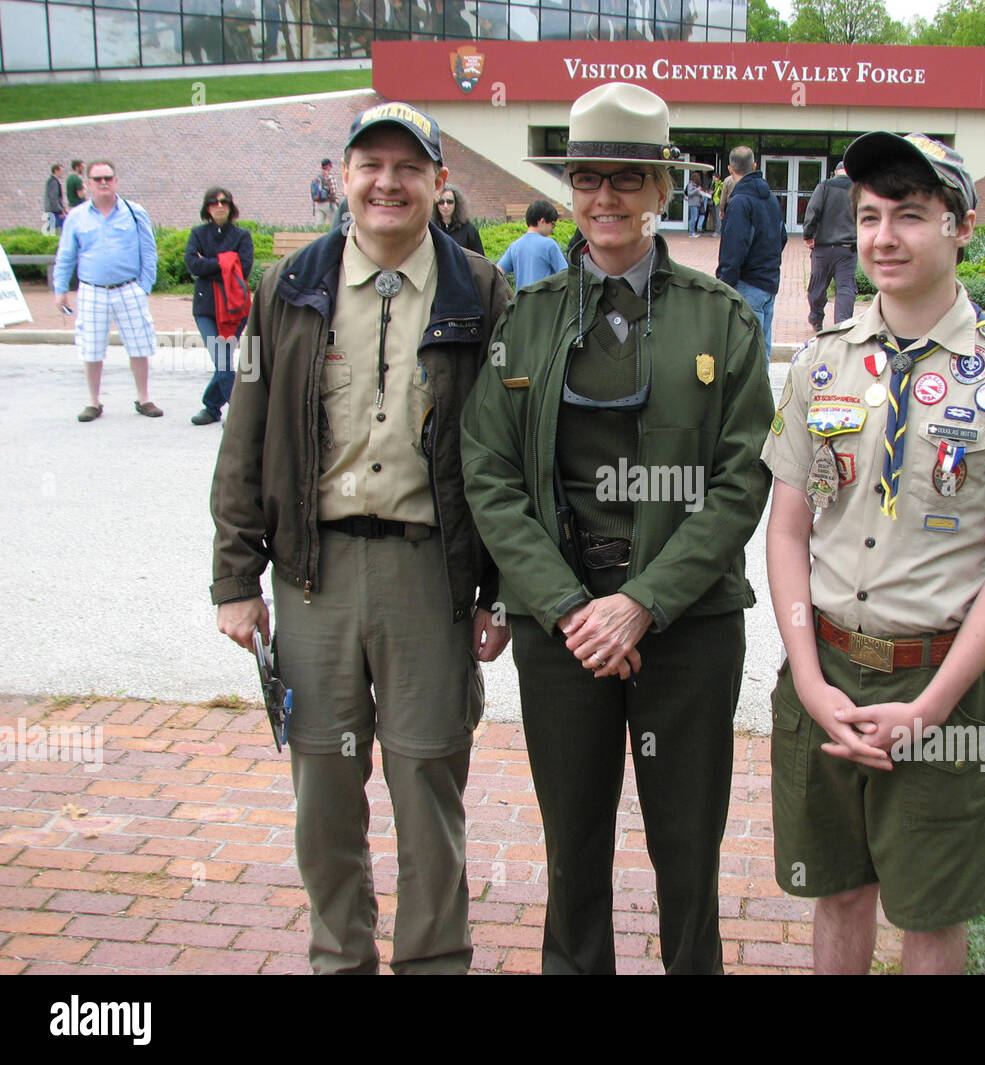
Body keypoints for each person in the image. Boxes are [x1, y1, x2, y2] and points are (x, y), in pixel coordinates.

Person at [461, 82, 774, 975]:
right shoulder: (528, 319)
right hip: (561, 627)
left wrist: (641, 602)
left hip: (686, 622)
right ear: (570, 189)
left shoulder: (721, 318)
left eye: (629, 179)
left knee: (688, 852)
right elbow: (487, 471)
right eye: (589, 178)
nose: (607, 199)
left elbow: (741, 476)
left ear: (663, 192)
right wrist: (568, 605)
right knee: (573, 853)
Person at [762, 131, 985, 975]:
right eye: (868, 217)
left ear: (961, 226)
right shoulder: (820, 365)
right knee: (838, 893)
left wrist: (931, 707)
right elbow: (787, 532)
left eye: (910, 215)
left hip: (942, 688)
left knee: (934, 914)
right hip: (824, 673)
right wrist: (812, 682)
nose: (884, 238)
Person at [210, 101, 511, 974]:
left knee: (428, 788)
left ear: (438, 184)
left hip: (432, 576)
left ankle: (432, 961)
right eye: (369, 165)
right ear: (341, 177)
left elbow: (505, 459)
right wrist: (236, 578)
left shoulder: (481, 292)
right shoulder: (291, 287)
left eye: (408, 167)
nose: (388, 182)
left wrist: (501, 595)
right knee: (324, 796)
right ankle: (339, 957)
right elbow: (246, 436)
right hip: (316, 576)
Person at [53, 160, 161, 423]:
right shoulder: (77, 217)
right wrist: (61, 289)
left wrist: (143, 286)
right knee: (91, 348)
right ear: (88, 183)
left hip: (128, 288)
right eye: (97, 179)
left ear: (115, 180)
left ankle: (144, 398)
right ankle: (93, 402)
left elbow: (148, 251)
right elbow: (66, 255)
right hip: (92, 291)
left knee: (139, 345)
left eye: (108, 178)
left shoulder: (134, 212)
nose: (103, 183)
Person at [185, 186, 255, 425]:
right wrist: (227, 262)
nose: (220, 206)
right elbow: (193, 265)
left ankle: (212, 408)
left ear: (231, 206)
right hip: (206, 308)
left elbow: (243, 268)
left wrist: (211, 264)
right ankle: (237, 411)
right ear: (207, 207)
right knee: (222, 358)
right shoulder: (197, 234)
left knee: (222, 358)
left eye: (224, 202)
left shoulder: (242, 236)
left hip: (235, 308)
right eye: (214, 203)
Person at [716, 145, 785, 361]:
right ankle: (762, 394)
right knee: (761, 352)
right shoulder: (770, 198)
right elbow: (781, 237)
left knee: (745, 355)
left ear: (730, 169)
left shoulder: (740, 202)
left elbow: (734, 249)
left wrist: (724, 285)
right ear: (755, 165)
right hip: (769, 282)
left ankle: (751, 395)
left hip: (747, 284)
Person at [803, 160, 857, 331]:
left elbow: (813, 210)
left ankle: (816, 317)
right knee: (846, 288)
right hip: (848, 248)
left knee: (817, 287)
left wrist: (808, 235)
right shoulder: (859, 189)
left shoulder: (825, 186)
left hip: (823, 247)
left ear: (836, 172)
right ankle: (842, 324)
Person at [496, 199, 566, 288]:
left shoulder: (515, 246)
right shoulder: (549, 244)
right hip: (544, 301)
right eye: (552, 224)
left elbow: (498, 271)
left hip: (521, 300)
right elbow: (565, 275)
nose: (553, 229)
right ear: (542, 221)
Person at [435, 185, 484, 255]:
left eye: (449, 201)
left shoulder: (469, 230)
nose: (445, 206)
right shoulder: (431, 229)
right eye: (441, 202)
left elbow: (480, 260)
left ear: (456, 203)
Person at [310, 158, 339, 224]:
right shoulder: (330, 177)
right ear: (329, 166)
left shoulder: (317, 177)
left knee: (319, 227)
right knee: (334, 224)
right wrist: (336, 202)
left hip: (318, 204)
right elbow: (333, 192)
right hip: (328, 204)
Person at [43, 164, 67, 234]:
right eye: (61, 171)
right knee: (57, 227)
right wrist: (60, 210)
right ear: (56, 171)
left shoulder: (54, 181)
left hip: (53, 210)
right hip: (54, 210)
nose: (63, 173)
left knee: (51, 229)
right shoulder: (53, 182)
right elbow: (54, 197)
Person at [684, 172, 706, 237]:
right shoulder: (691, 184)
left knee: (695, 217)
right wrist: (697, 190)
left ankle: (692, 231)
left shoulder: (695, 185)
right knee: (693, 217)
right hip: (693, 203)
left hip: (697, 203)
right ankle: (691, 232)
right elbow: (689, 193)